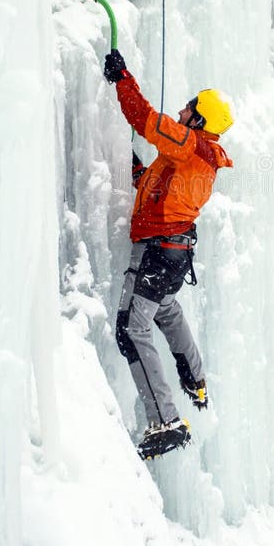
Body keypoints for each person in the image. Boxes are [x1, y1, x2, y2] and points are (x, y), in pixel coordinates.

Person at [103, 48, 234, 459]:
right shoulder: (200, 159)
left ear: (199, 119)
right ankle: (195, 380)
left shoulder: (188, 143)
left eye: (189, 107)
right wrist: (131, 167)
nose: (181, 110)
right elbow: (159, 190)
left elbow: (143, 118)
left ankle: (166, 420)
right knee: (164, 309)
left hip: (157, 253)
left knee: (130, 327)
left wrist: (122, 77)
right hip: (174, 256)